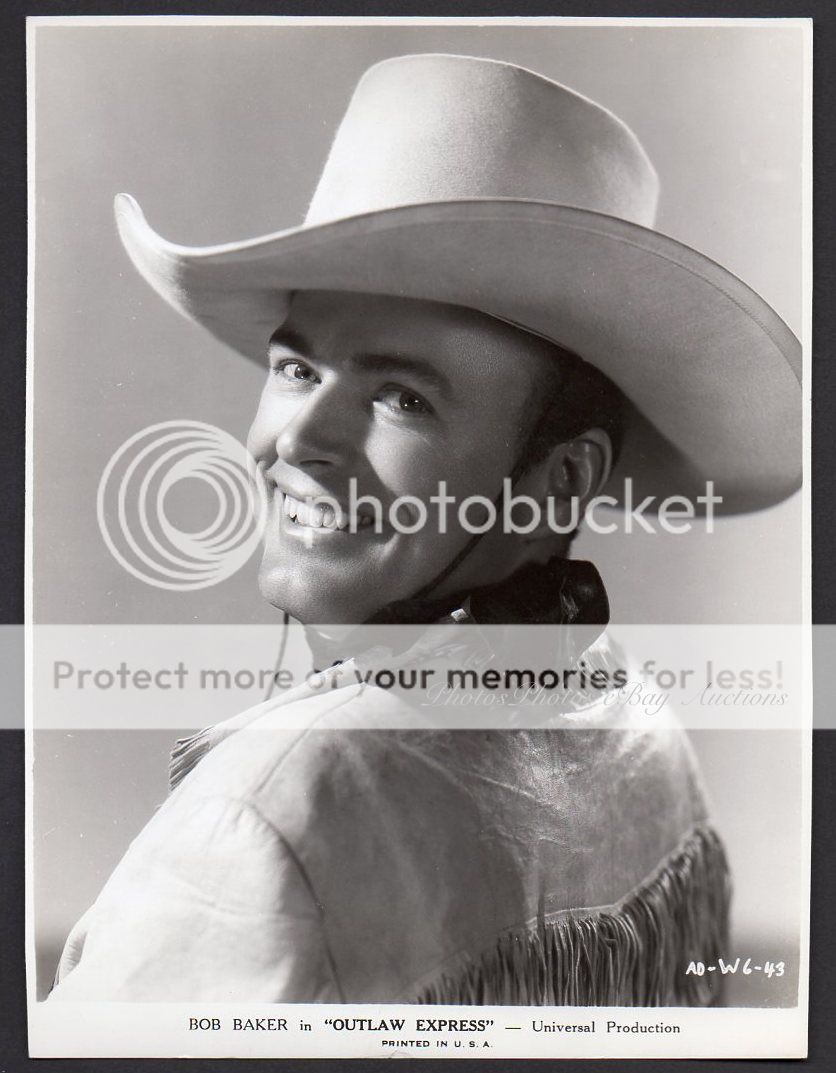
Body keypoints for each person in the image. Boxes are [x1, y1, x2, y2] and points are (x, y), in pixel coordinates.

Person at [48, 53, 800, 1004]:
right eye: (295, 370)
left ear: (560, 481)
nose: (299, 441)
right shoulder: (647, 737)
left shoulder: (269, 816)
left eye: (402, 396)